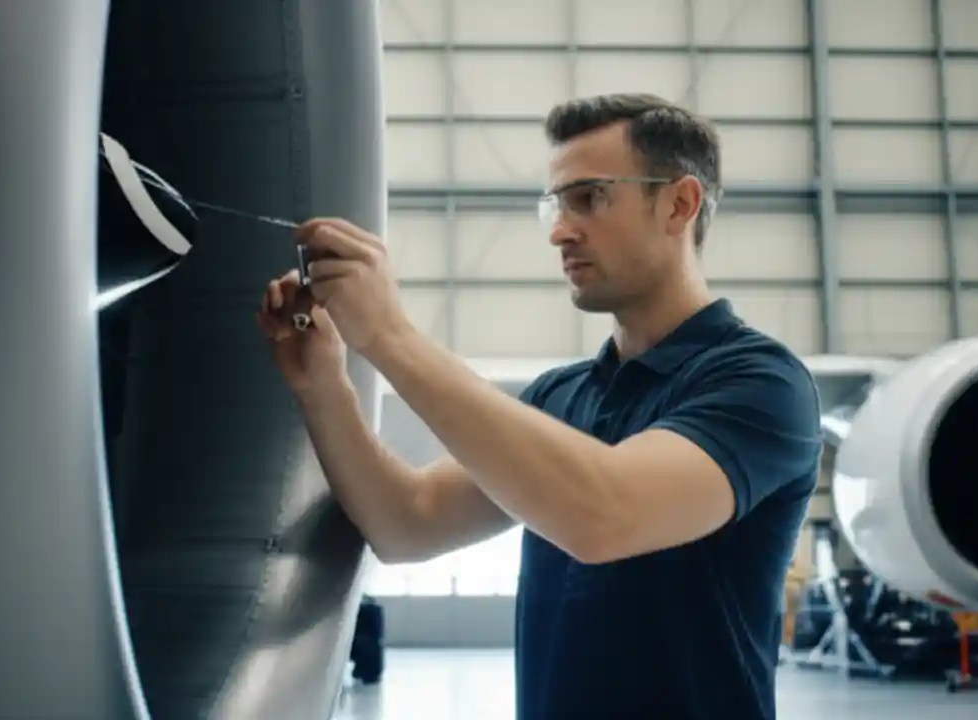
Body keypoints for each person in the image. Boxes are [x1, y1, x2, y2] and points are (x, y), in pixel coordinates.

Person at [256, 93, 823, 720]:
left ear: (679, 204)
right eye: (556, 205)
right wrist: (325, 384)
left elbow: (606, 516)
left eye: (591, 198)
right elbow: (407, 523)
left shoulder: (760, 384)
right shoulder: (562, 396)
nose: (560, 230)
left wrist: (390, 338)